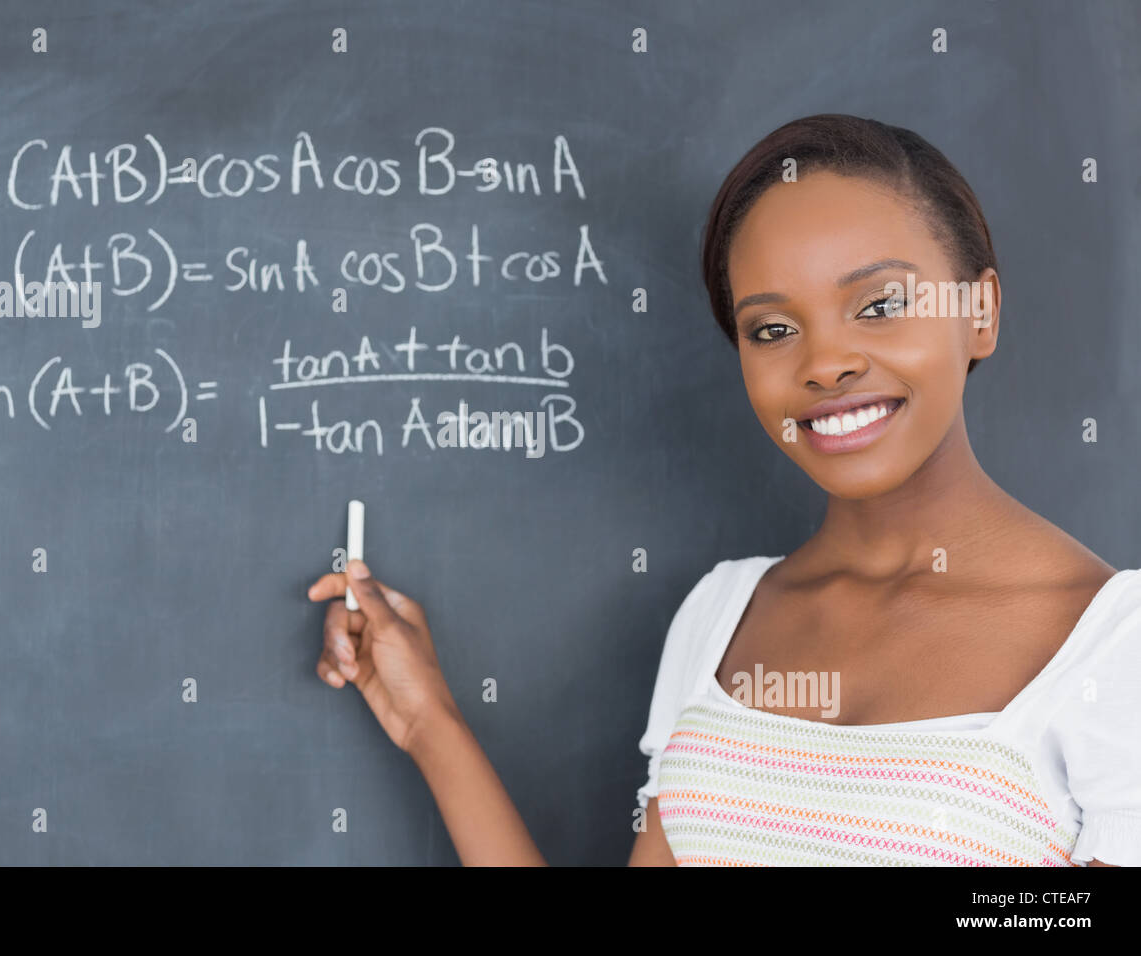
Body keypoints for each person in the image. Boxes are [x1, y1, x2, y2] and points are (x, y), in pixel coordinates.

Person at [307, 114, 1139, 866]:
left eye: (880, 303)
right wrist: (430, 726)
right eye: (772, 329)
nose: (824, 362)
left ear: (980, 313)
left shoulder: (1113, 647)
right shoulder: (724, 616)